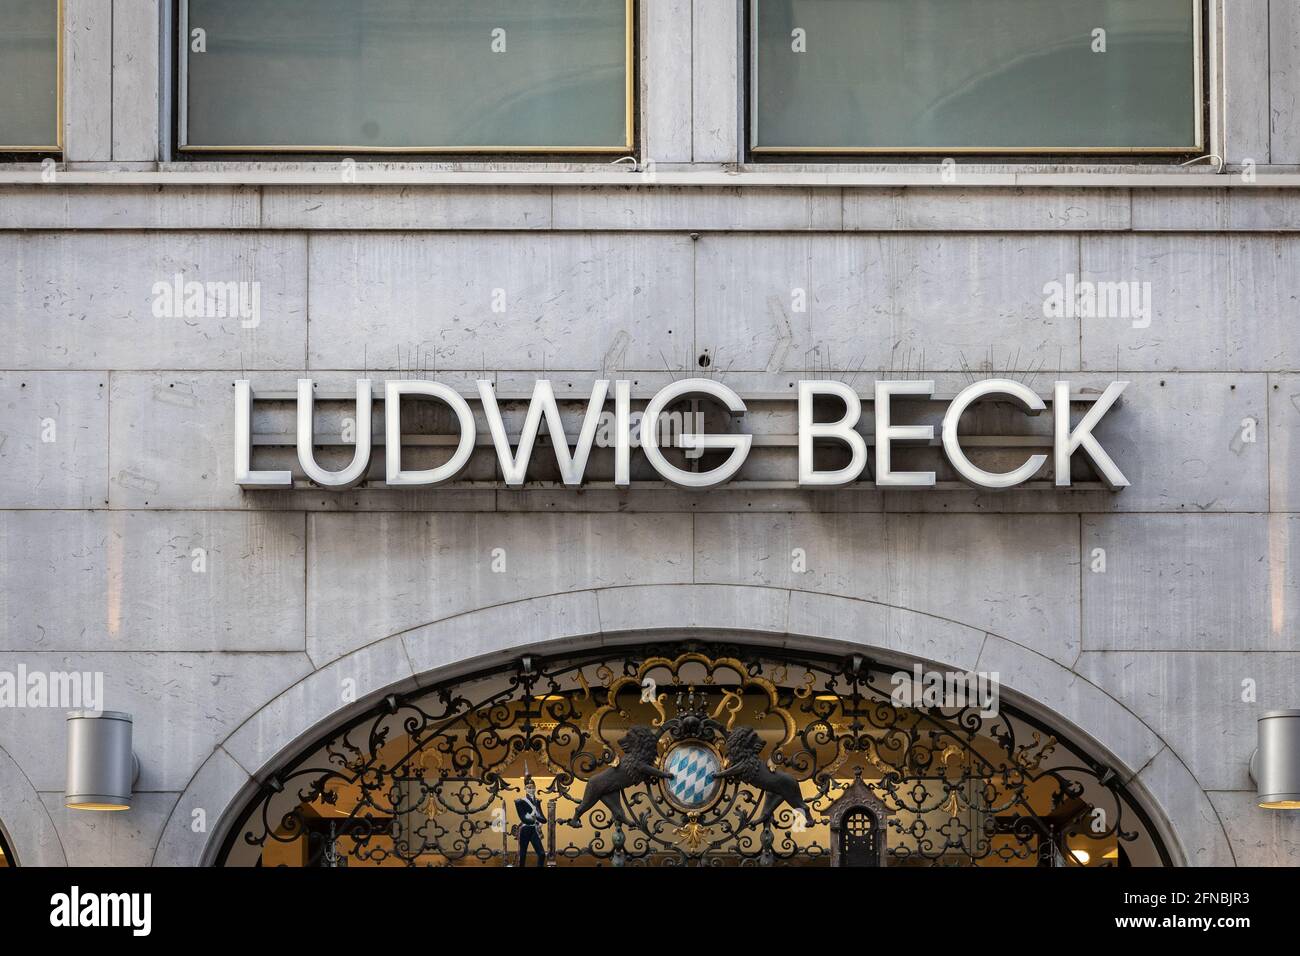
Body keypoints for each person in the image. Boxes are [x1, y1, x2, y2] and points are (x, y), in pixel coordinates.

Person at [514, 778, 546, 867]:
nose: (530, 789)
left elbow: (543, 819)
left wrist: (538, 818)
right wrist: (537, 819)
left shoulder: (537, 801)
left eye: (532, 787)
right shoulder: (520, 802)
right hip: (525, 829)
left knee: (542, 854)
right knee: (523, 854)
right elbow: (524, 818)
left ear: (535, 788)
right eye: (528, 787)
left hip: (534, 829)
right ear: (525, 789)